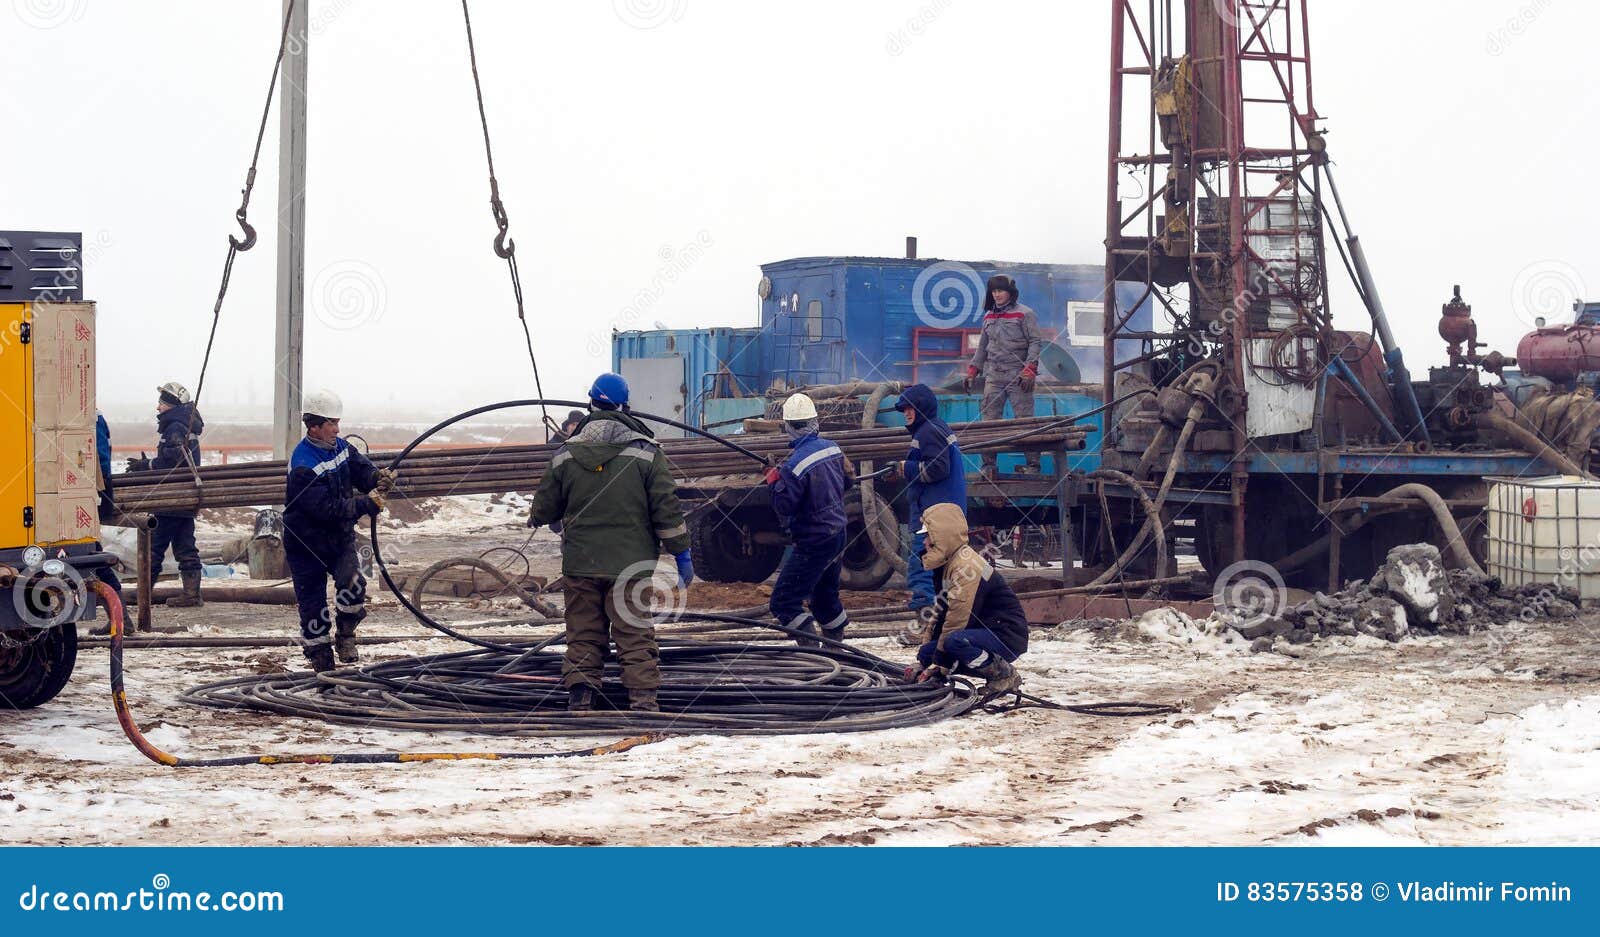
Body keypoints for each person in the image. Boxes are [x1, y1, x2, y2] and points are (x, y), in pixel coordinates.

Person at [527, 372, 693, 713]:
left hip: (581, 563)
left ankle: (581, 698)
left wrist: (553, 515)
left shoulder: (565, 455)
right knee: (633, 630)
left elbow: (543, 508)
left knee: (584, 630)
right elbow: (666, 509)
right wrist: (682, 553)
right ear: (624, 406)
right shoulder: (647, 453)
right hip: (630, 565)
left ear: (591, 402)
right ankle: (643, 700)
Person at [283, 389, 393, 673]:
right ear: (314, 426)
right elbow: (326, 509)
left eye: (337, 421)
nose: (337, 428)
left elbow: (360, 469)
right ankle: (322, 664)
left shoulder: (341, 447)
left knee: (354, 583)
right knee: (313, 606)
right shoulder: (303, 465)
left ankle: (346, 635)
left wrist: (376, 478)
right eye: (331, 423)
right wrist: (366, 504)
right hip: (306, 543)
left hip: (338, 537)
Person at [906, 501, 1026, 697]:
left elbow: (957, 621)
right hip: (983, 631)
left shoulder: (966, 566)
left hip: (1006, 635)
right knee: (929, 652)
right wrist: (924, 662)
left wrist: (941, 664)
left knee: (954, 642)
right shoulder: (950, 563)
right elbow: (941, 614)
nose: (925, 542)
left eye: (929, 536)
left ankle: (1004, 675)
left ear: (941, 537)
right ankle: (939, 672)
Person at [765, 392, 851, 647]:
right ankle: (836, 645)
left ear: (788, 426)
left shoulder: (794, 465)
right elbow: (848, 481)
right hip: (838, 534)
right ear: (815, 422)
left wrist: (773, 479)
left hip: (814, 541)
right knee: (824, 595)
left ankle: (811, 651)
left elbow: (784, 506)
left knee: (784, 601)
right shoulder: (833, 448)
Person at [888, 384, 966, 621]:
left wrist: (905, 468)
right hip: (943, 512)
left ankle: (924, 623)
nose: (906, 414)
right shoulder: (935, 429)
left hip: (934, 515)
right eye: (904, 410)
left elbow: (938, 469)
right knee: (939, 571)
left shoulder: (928, 431)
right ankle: (940, 621)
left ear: (922, 408)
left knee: (921, 567)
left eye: (910, 408)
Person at [128, 382, 205, 608]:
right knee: (185, 547)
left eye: (161, 403)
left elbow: (175, 461)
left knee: (154, 548)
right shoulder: (183, 424)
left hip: (171, 498)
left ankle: (143, 595)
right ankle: (191, 595)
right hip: (184, 498)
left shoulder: (175, 427)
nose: (158, 407)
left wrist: (146, 465)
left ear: (171, 405)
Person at [964, 274, 1044, 476]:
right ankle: (989, 466)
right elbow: (982, 347)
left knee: (1024, 421)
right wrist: (973, 370)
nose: (997, 294)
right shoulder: (988, 317)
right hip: (994, 377)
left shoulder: (1025, 314)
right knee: (989, 422)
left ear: (1010, 293)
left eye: (1000, 291)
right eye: (994, 291)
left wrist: (1029, 370)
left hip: (1019, 377)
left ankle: (1033, 466)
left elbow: (1035, 342)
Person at [89, 410, 134, 636]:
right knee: (93, 557)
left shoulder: (90, 418)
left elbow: (100, 458)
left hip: (92, 493)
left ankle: (121, 619)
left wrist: (101, 491)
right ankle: (120, 618)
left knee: (93, 557)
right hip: (93, 492)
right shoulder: (92, 416)